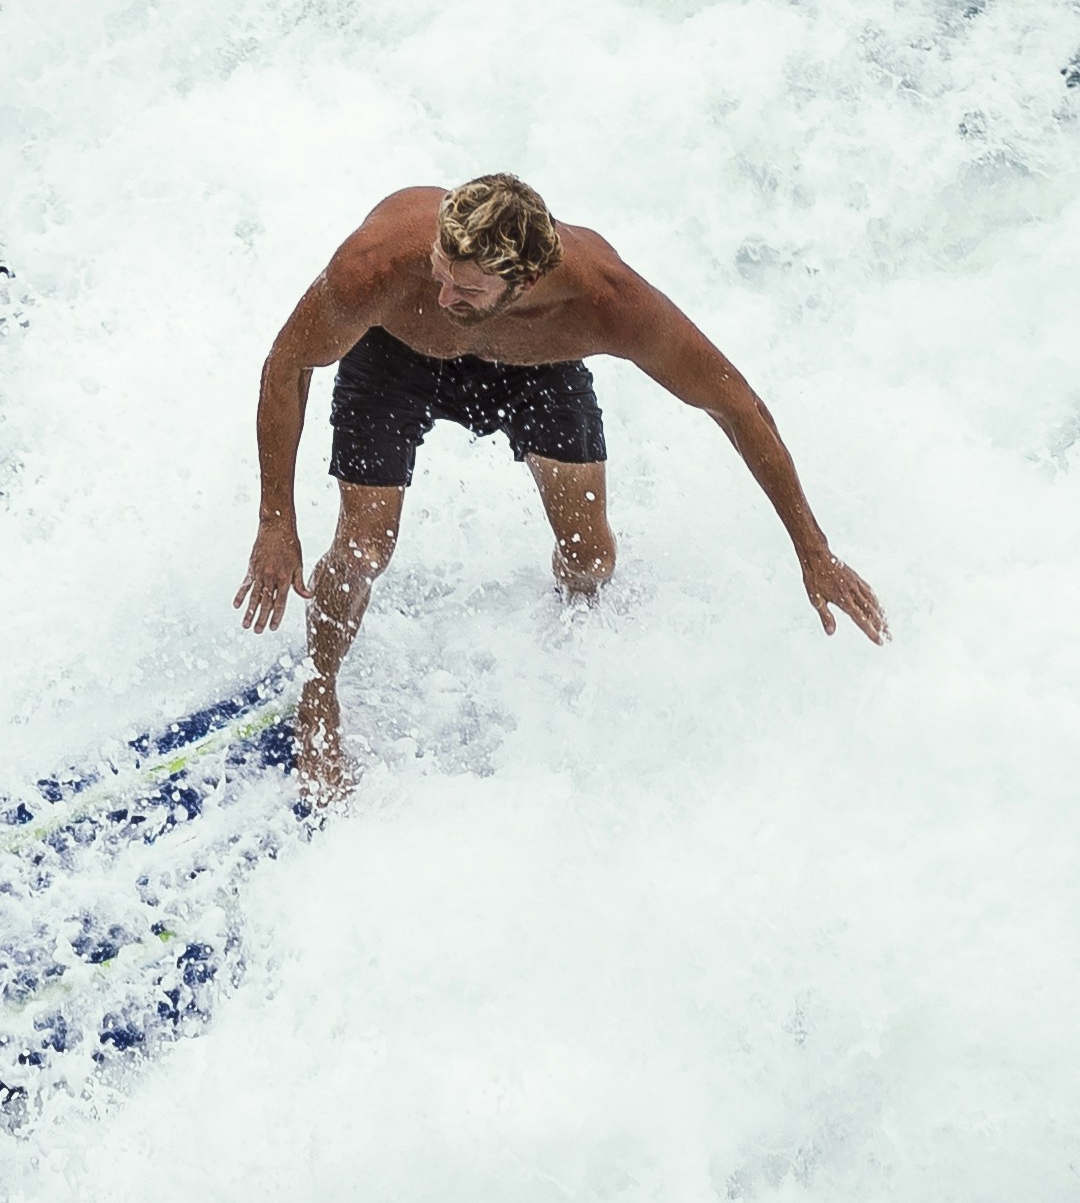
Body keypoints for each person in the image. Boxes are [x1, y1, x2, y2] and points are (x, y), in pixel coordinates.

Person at [235, 169, 887, 792]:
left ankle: (570, 633)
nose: (440, 297)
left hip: (535, 372)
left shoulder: (607, 300)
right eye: (439, 270)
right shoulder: (376, 264)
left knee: (591, 556)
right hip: (395, 362)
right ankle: (319, 689)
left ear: (523, 282)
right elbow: (287, 365)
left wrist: (813, 548)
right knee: (361, 550)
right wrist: (276, 521)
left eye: (464, 291)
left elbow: (734, 404)